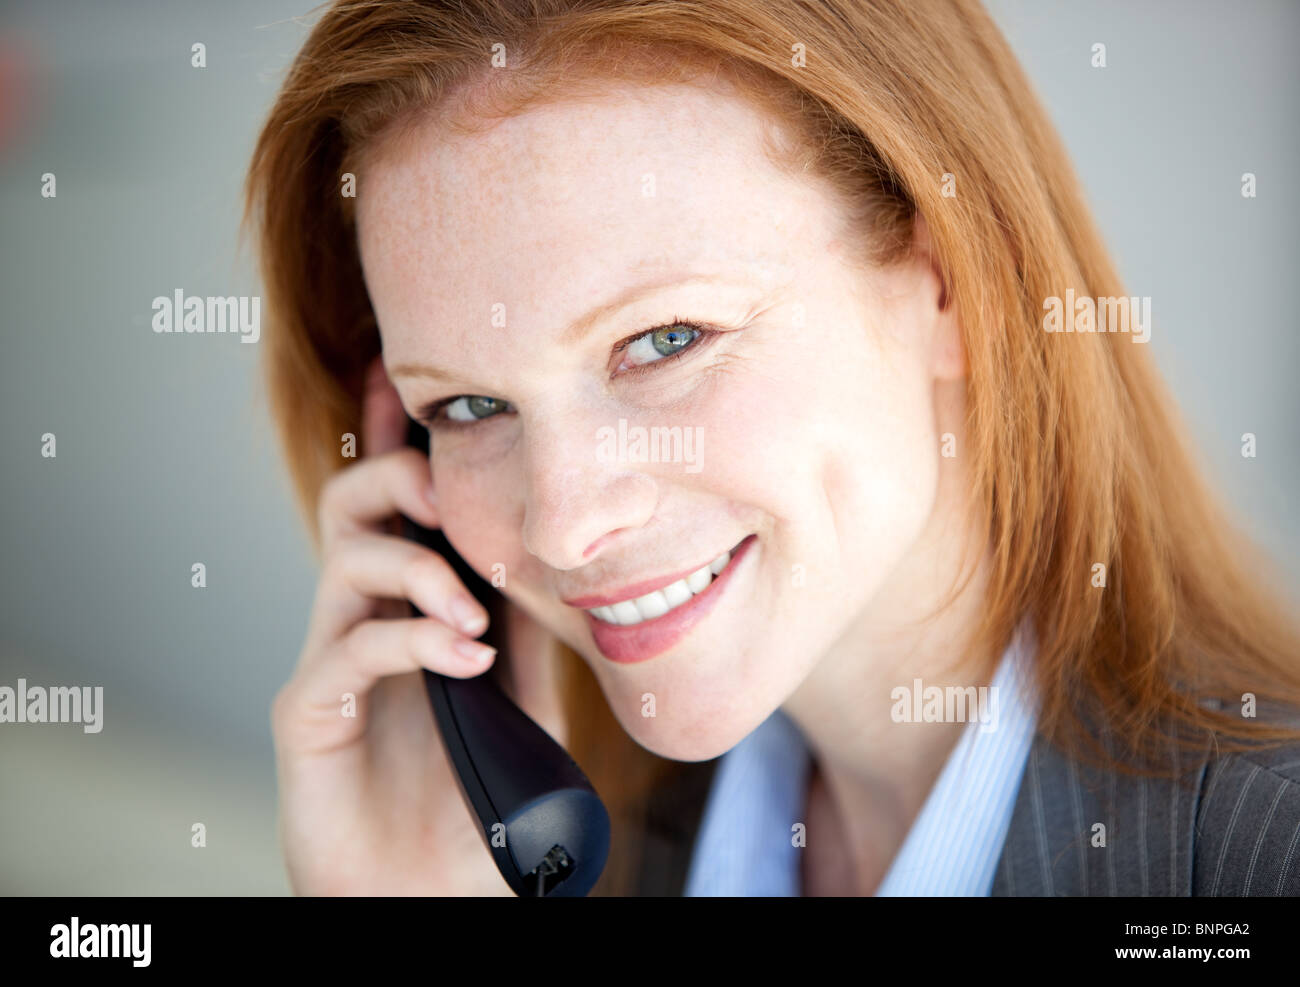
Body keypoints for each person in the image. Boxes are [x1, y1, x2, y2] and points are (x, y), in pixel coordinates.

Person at [244, 0, 1300, 896]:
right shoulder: (595, 856)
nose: (564, 525)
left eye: (664, 340)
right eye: (469, 407)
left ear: (952, 282)